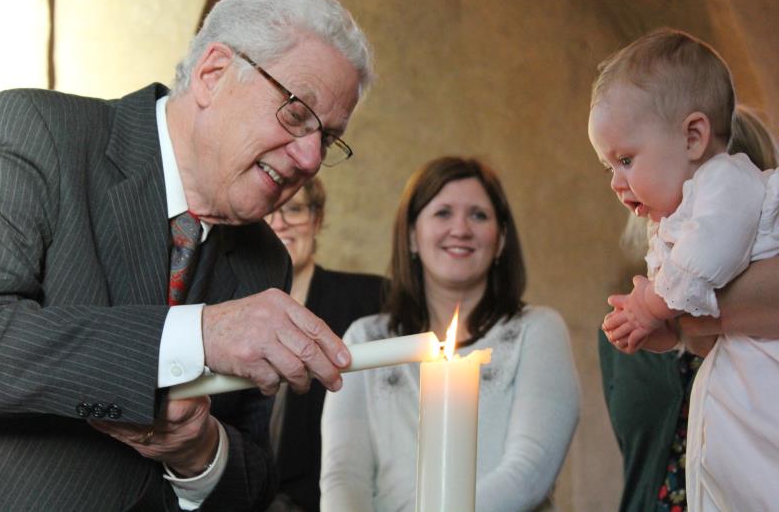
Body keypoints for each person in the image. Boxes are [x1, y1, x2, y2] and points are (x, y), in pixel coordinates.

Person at [0, 0, 373, 510]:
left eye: (326, 138)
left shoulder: (266, 260)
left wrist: (200, 455)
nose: (308, 158)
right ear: (213, 74)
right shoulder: (37, 131)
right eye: (297, 113)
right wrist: (198, 335)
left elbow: (254, 482)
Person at [319, 156, 580, 512]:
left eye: (479, 215)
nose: (461, 229)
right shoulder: (366, 339)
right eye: (442, 213)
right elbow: (343, 477)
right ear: (412, 235)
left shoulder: (537, 330)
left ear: (501, 239)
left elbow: (528, 471)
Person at [588, 28, 779, 511]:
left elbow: (708, 259)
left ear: (694, 136)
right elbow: (700, 325)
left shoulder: (728, 182)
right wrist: (665, 332)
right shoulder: (676, 221)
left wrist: (654, 305)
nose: (615, 182)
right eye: (608, 167)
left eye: (626, 160)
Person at [264, 177, 386, 512]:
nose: (280, 223)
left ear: (317, 220)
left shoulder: (369, 299)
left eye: (294, 209)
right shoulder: (222, 308)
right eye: (270, 211)